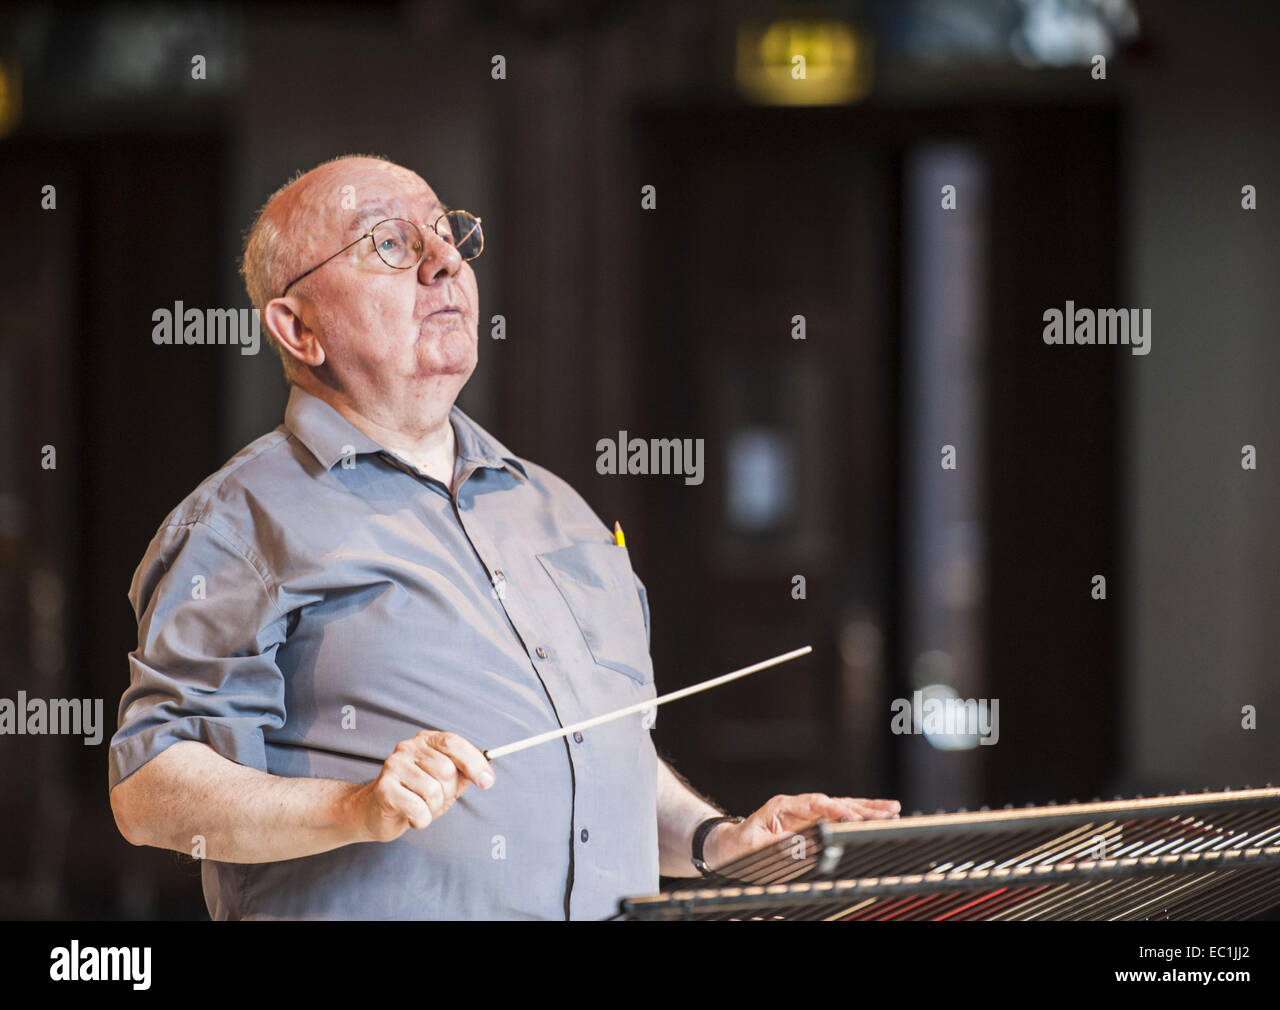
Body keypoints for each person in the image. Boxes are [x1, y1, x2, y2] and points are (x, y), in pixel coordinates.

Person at [107, 155, 900, 920]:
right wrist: (354, 807)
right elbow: (150, 791)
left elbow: (599, 757)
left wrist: (718, 842)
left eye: (449, 233)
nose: (445, 262)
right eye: (392, 243)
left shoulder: (558, 509)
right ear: (298, 327)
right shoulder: (240, 523)